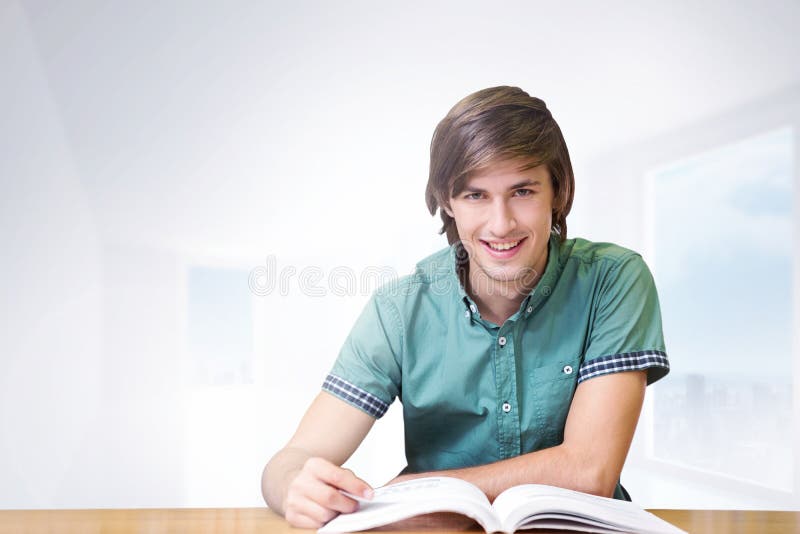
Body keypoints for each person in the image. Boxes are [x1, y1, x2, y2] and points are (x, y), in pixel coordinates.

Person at [261, 86, 670, 529]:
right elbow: (292, 460)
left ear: (558, 190)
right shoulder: (399, 310)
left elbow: (589, 470)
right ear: (447, 201)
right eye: (476, 195)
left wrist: (413, 490)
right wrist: (295, 488)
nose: (501, 224)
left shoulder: (614, 279)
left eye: (523, 191)